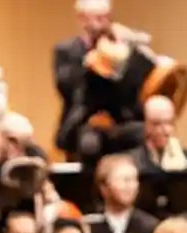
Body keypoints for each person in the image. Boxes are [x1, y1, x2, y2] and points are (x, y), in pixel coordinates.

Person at [53, 0, 144, 164]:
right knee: (89, 144)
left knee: (144, 134)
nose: (104, 22)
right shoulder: (65, 50)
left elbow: (135, 87)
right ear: (82, 19)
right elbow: (65, 88)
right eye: (98, 17)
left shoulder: (120, 48)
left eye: (107, 17)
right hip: (84, 121)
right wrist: (87, 64)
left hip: (119, 121)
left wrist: (125, 56)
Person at [85, 153, 158, 233]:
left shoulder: (150, 226)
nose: (130, 186)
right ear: (103, 187)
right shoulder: (89, 225)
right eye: (124, 180)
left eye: (134, 180)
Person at [125, 95, 187, 173]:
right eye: (158, 124)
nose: (166, 130)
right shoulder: (130, 162)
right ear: (146, 125)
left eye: (170, 123)